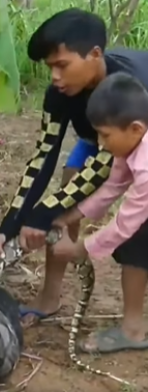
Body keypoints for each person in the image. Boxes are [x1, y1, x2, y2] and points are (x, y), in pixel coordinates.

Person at [0, 7, 148, 328]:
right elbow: (42, 158)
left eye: (62, 65)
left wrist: (45, 215)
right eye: (50, 68)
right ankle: (49, 296)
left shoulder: (133, 91)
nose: (55, 77)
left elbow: (109, 170)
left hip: (127, 141)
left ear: (94, 54)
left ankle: (132, 323)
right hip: (101, 139)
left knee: (137, 224)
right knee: (66, 192)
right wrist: (12, 223)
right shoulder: (58, 95)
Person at [51, 72, 148, 353]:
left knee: (135, 237)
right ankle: (133, 326)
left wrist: (83, 248)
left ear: (135, 129)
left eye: (105, 135)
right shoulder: (131, 147)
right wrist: (73, 214)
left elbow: (125, 224)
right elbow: (112, 186)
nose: (101, 144)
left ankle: (132, 330)